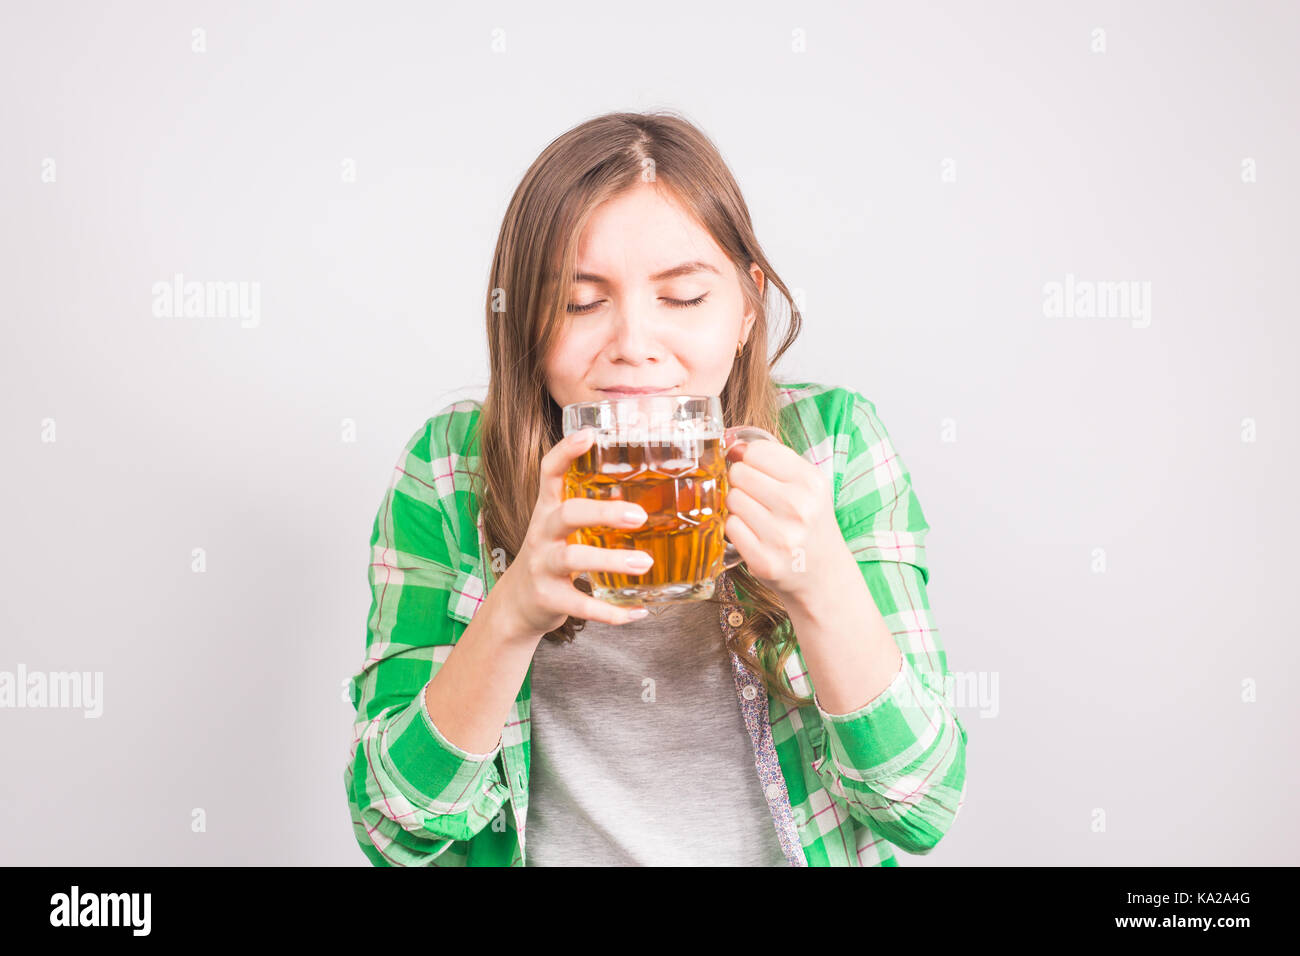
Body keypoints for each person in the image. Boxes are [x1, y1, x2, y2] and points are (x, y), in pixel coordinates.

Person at [343, 110, 967, 866]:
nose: (634, 346)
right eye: (579, 302)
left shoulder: (833, 446)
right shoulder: (448, 470)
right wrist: (511, 617)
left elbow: (922, 806)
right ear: (523, 326)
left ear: (746, 309)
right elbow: (393, 830)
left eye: (683, 298)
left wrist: (822, 585)